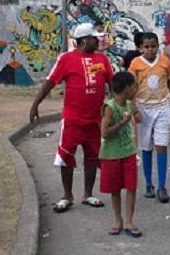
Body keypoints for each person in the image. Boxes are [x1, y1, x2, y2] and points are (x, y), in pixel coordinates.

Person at [29, 23, 114, 212]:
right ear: (84, 40)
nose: (98, 40)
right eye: (94, 37)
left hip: (95, 120)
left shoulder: (103, 59)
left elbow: (112, 83)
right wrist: (36, 104)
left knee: (93, 156)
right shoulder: (66, 59)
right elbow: (50, 82)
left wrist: (118, 108)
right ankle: (67, 195)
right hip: (73, 119)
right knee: (66, 156)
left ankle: (88, 194)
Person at [128, 32, 170, 204]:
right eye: (147, 47)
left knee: (161, 146)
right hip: (143, 108)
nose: (150, 50)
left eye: (153, 46)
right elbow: (130, 89)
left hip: (162, 107)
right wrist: (134, 109)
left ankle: (162, 186)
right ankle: (149, 183)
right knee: (146, 147)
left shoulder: (165, 62)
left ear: (158, 46)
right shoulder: (135, 64)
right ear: (140, 48)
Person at [100, 71, 142, 238]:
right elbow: (104, 133)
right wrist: (122, 123)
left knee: (131, 187)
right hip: (112, 154)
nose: (136, 89)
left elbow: (137, 116)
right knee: (115, 189)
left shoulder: (130, 104)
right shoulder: (110, 107)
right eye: (134, 86)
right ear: (126, 88)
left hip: (128, 151)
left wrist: (137, 113)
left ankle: (128, 221)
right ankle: (118, 219)